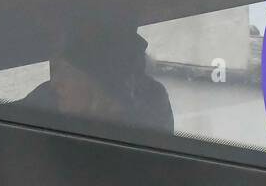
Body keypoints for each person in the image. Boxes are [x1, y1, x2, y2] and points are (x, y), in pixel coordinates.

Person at [30, 24, 174, 134]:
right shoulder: (45, 101)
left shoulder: (147, 122)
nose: (55, 83)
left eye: (66, 70)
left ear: (98, 80)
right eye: (54, 70)